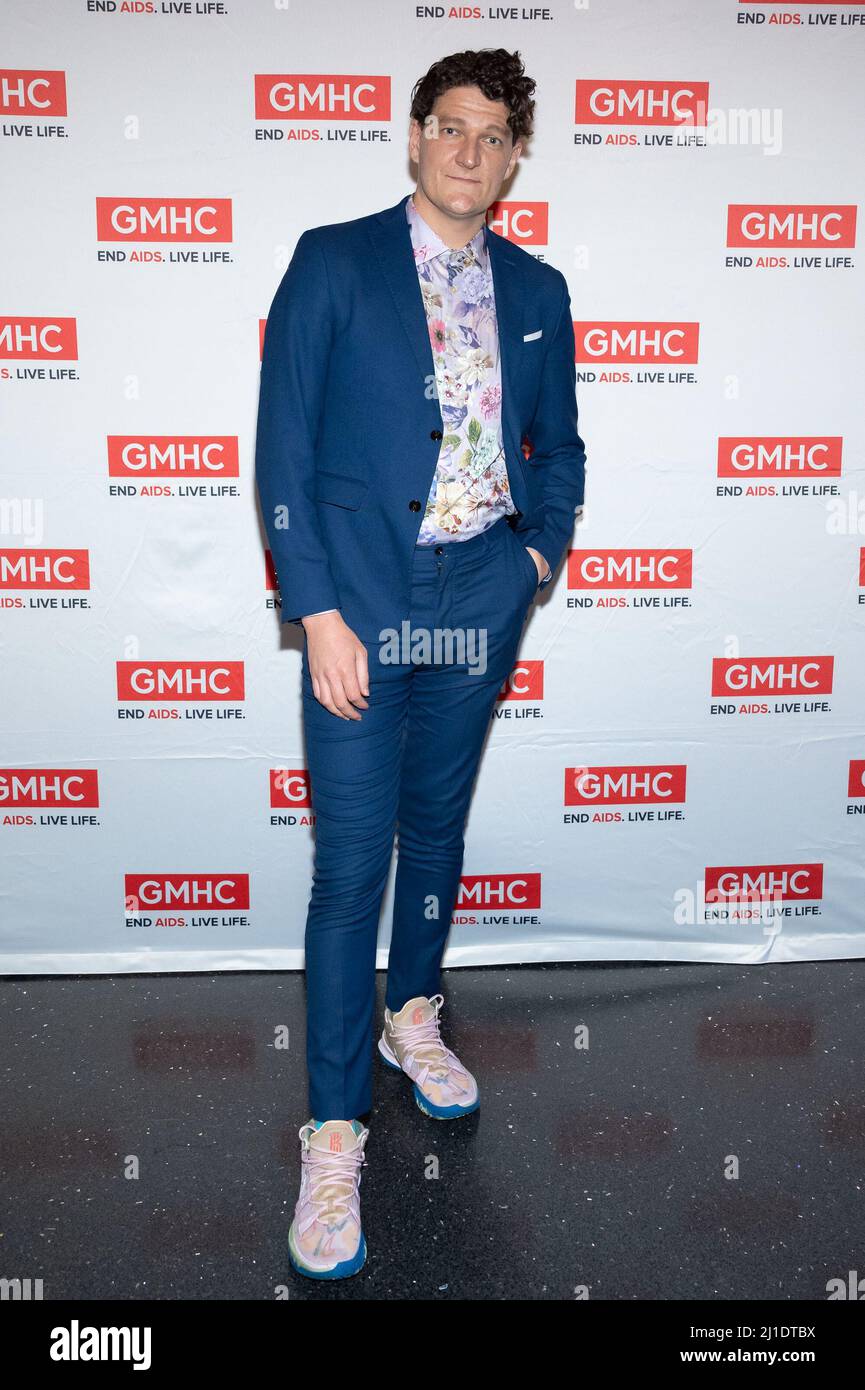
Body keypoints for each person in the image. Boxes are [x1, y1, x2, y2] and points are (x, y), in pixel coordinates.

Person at [254, 47, 586, 1280]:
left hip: (474, 596)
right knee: (350, 867)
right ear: (412, 136)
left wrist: (535, 561)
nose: (467, 148)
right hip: (362, 602)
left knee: (435, 832)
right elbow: (282, 451)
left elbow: (561, 448)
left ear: (511, 157)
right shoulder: (332, 260)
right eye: (448, 125)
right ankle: (334, 1127)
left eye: (492, 132)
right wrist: (318, 611)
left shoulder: (539, 286)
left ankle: (412, 1016)